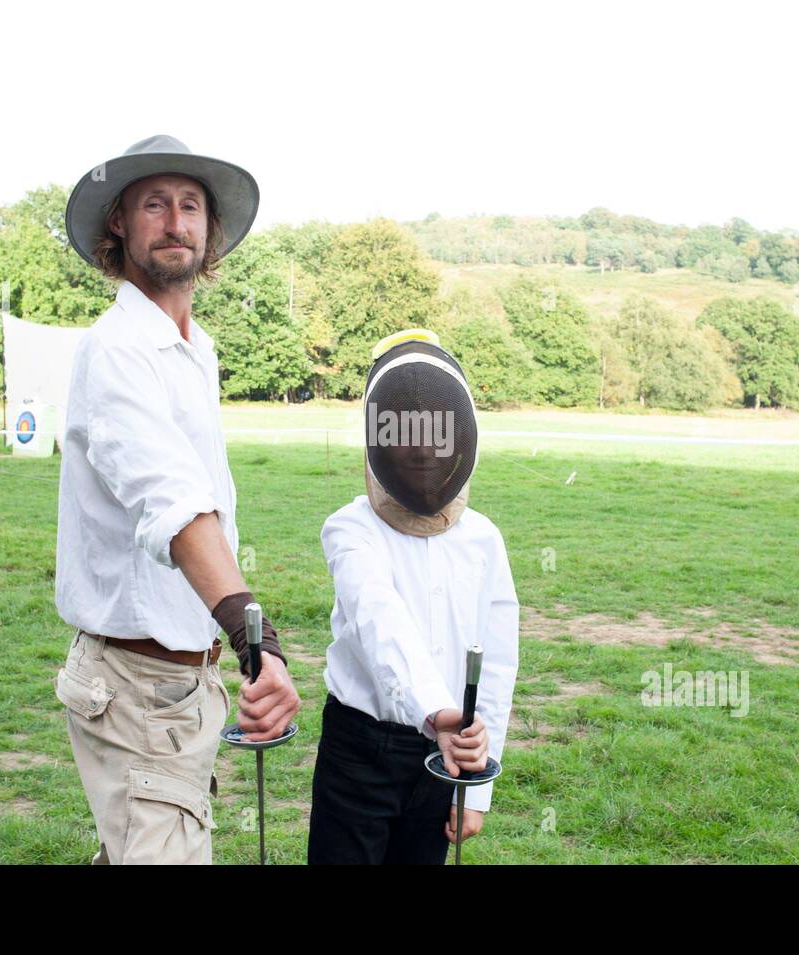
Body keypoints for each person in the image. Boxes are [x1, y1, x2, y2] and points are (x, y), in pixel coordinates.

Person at [55, 135, 300, 865]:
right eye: (153, 204)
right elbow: (176, 503)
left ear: (208, 231)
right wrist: (260, 639)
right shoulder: (118, 349)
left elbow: (204, 498)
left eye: (190, 205)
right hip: (133, 686)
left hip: (187, 681)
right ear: (119, 227)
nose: (175, 221)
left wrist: (228, 648)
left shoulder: (197, 347)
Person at [308, 329, 519, 864]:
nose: (423, 446)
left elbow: (493, 666)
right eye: (404, 429)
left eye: (437, 429)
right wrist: (438, 712)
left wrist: (476, 787)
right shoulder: (350, 530)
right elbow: (379, 619)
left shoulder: (483, 539)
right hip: (358, 752)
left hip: (444, 761)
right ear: (379, 434)